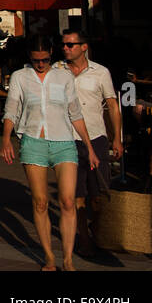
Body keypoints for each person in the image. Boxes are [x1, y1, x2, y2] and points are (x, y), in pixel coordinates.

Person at [1, 38, 98, 271]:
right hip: (34, 142)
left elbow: (75, 113)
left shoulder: (64, 77)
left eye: (45, 59)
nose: (41, 64)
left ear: (51, 54)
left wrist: (90, 147)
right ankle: (49, 258)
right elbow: (12, 109)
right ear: (29, 56)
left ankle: (67, 259)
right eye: (36, 60)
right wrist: (6, 139)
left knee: (67, 201)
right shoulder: (20, 77)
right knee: (41, 202)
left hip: (64, 141)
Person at [61, 31, 121, 254]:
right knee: (76, 195)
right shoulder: (58, 71)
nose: (65, 48)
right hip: (67, 139)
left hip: (96, 138)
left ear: (83, 47)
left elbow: (112, 105)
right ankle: (84, 239)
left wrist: (117, 138)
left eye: (70, 45)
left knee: (98, 195)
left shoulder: (100, 72)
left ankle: (99, 231)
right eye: (64, 45)